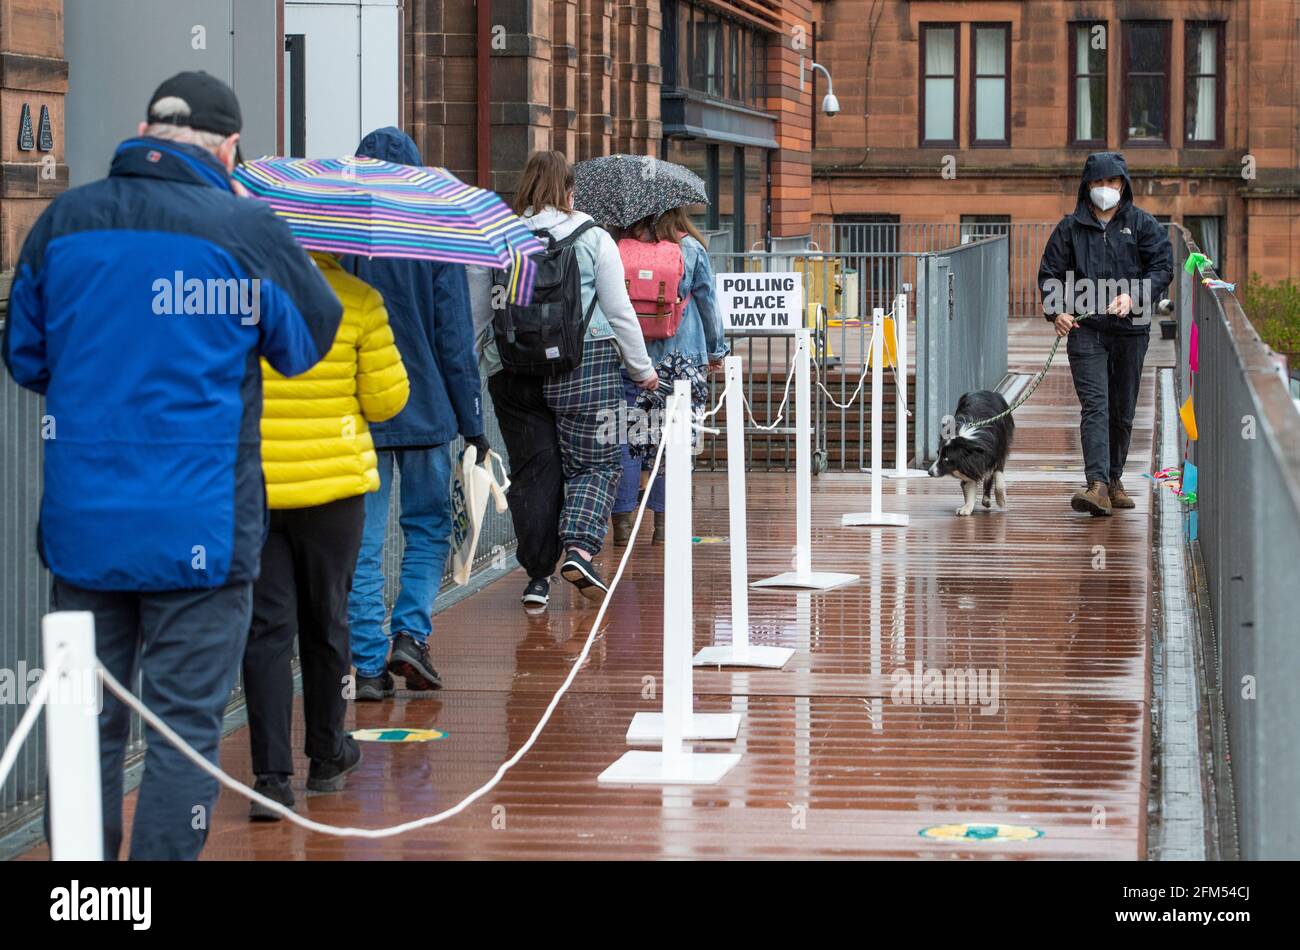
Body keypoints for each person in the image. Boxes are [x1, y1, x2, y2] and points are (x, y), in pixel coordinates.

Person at [1, 71, 341, 859]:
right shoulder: (246, 227)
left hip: (85, 526)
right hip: (203, 527)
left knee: (81, 721)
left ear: (145, 130)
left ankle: (88, 906)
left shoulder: (62, 221)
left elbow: (24, 356)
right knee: (182, 729)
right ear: (228, 147)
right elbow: (308, 343)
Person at [241, 252, 409, 819]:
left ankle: (269, 779)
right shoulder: (358, 301)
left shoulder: (245, 298)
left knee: (266, 629)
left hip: (257, 485)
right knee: (327, 619)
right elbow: (387, 403)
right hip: (333, 488)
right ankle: (328, 755)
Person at [471, 150, 657, 610]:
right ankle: (578, 550)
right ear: (569, 191)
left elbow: (477, 314)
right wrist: (642, 370)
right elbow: (619, 312)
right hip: (584, 367)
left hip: (512, 373)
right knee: (594, 464)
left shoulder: (496, 237)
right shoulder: (592, 237)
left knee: (533, 472)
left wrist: (474, 366)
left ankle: (536, 577)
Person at [342, 128, 489, 700]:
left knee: (363, 539)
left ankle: (369, 662)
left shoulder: (339, 235)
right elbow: (454, 337)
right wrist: (473, 419)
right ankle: (410, 634)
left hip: (359, 411)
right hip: (427, 408)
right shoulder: (434, 232)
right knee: (428, 528)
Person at [1037, 151, 1172, 516]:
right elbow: (1049, 272)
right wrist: (1057, 311)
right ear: (1087, 186)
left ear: (1123, 185)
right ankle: (1095, 484)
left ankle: (1113, 479)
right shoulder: (1069, 228)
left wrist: (1135, 295)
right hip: (1087, 330)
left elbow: (1162, 267)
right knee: (1095, 405)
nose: (1105, 189)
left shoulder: (1143, 224)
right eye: (1097, 182)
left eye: (1112, 182)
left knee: (1122, 409)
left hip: (1131, 331)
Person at [611, 206, 727, 544]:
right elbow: (708, 302)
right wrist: (716, 350)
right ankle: (663, 527)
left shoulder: (623, 246)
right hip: (682, 361)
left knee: (628, 439)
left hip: (632, 360)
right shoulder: (690, 248)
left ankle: (621, 525)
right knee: (674, 443)